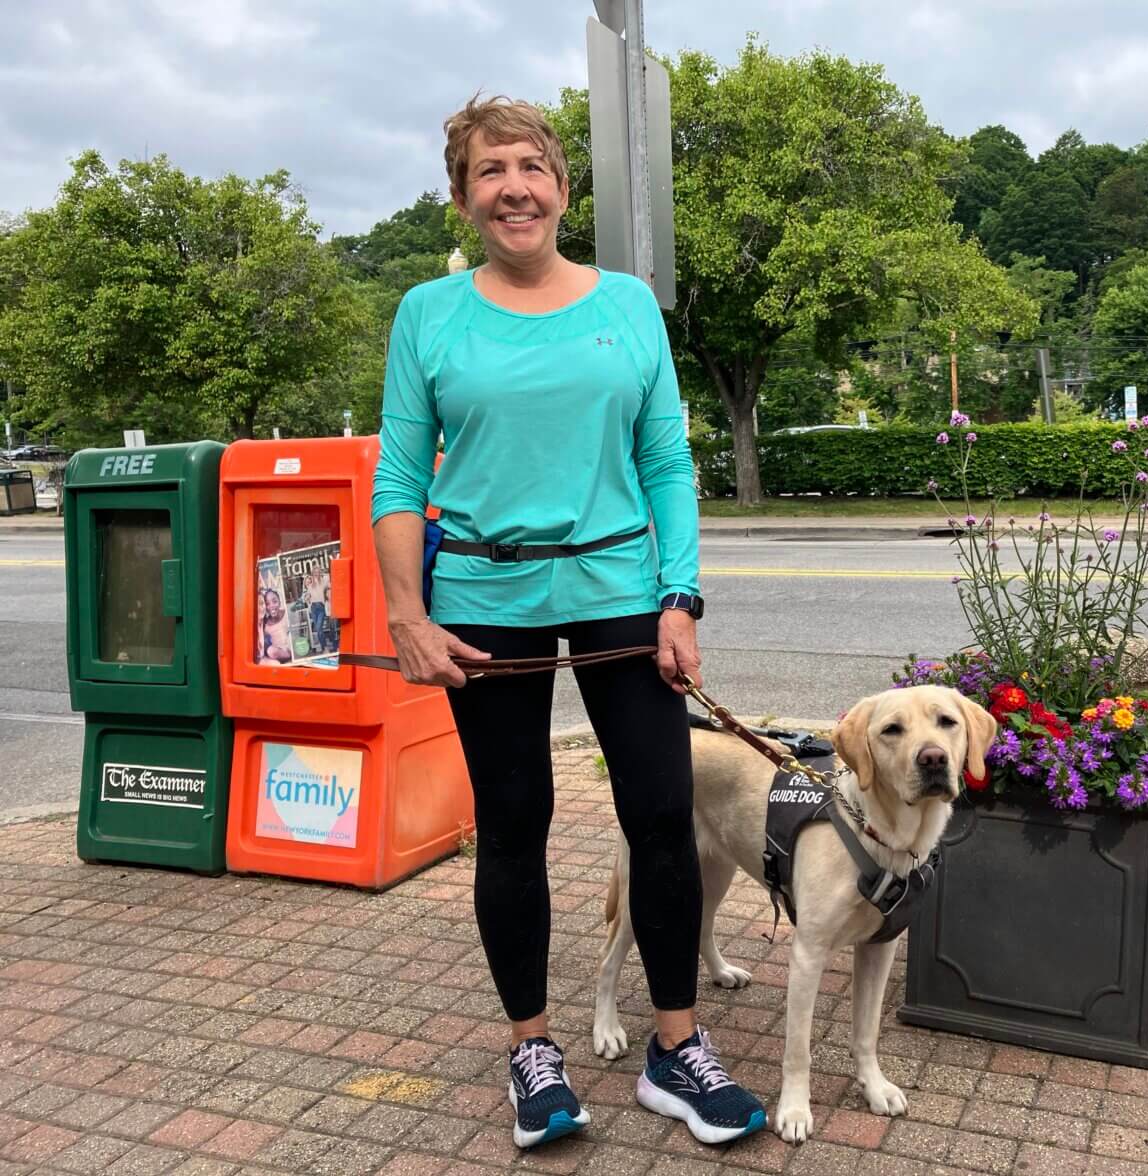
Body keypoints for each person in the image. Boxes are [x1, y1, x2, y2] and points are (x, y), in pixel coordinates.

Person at [370, 95, 765, 1152]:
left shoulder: (627, 305)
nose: (515, 188)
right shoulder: (429, 314)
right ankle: (532, 1052)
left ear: (560, 187)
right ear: (463, 197)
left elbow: (665, 461)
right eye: (490, 170)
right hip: (482, 604)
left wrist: (679, 597)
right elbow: (399, 477)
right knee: (514, 824)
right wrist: (407, 616)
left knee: (661, 815)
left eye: (531, 167)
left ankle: (676, 1049)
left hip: (620, 592)